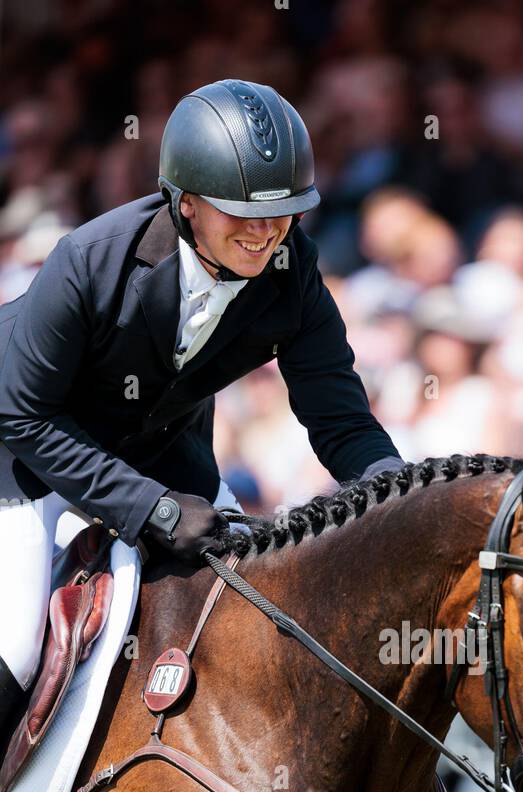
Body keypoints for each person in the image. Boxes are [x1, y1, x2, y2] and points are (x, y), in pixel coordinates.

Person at [0, 78, 401, 740]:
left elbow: (341, 420)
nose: (266, 232)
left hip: (164, 455)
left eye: (284, 213)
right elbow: (22, 417)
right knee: (14, 649)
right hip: (25, 459)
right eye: (241, 213)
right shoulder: (90, 262)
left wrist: (402, 497)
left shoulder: (290, 271)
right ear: (185, 203)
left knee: (261, 613)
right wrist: (149, 509)